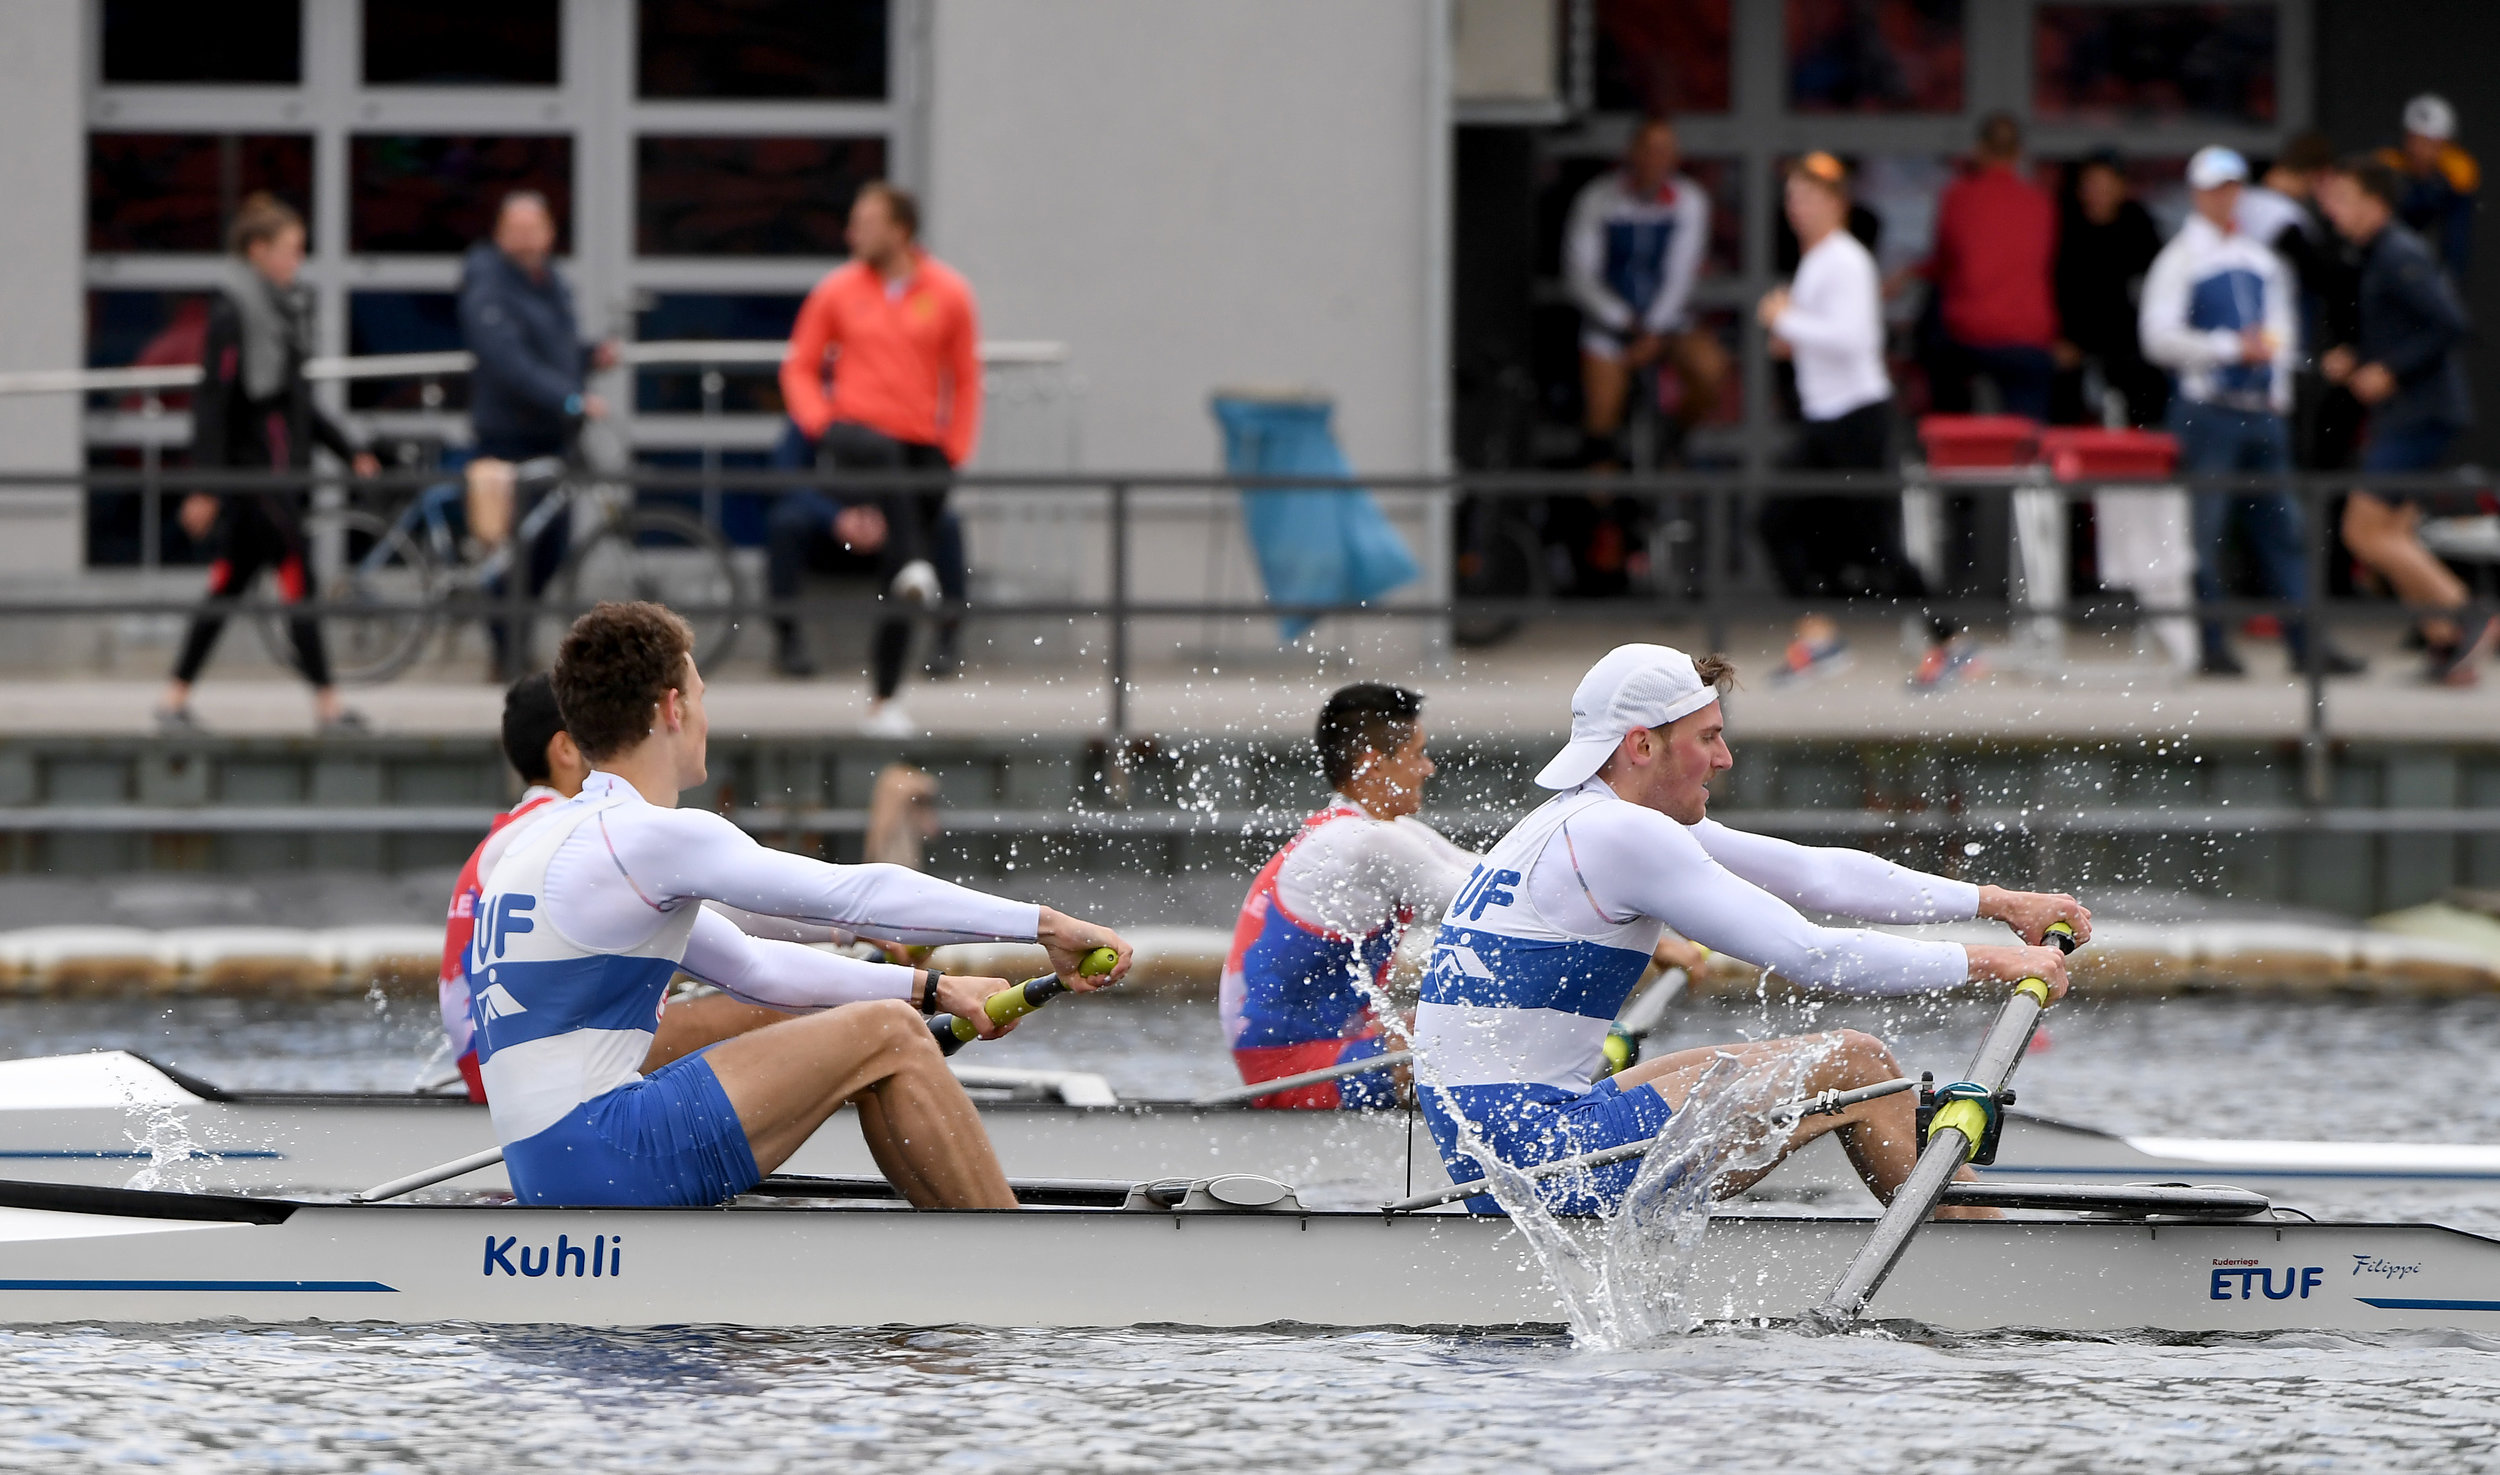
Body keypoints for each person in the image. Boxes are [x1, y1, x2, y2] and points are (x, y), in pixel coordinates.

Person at [468, 601, 1132, 1207]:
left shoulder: (536, 844)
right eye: (702, 695)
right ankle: (1021, 1264)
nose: (704, 713)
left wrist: (935, 987)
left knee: (878, 1029)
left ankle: (952, 1271)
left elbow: (760, 970)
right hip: (607, 1152)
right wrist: (1043, 925)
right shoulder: (646, 837)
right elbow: (854, 894)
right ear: (672, 709)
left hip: (545, 1165)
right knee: (889, 1034)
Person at [1413, 644, 2086, 1217]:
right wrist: (1989, 964)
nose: (1726, 757)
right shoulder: (1621, 834)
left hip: (1506, 1149)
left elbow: (1816, 876)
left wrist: (1998, 900)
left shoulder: (1572, 818)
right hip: (1536, 1164)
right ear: (1642, 744)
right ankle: (1995, 1264)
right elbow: (1811, 953)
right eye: (1708, 737)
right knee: (1860, 1069)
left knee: (1866, 1062)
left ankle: (1978, 1234)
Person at [437, 672, 789, 1102]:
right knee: (778, 1010)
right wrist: (847, 930)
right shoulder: (565, 835)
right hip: (528, 1062)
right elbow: (713, 913)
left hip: (496, 1053)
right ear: (566, 749)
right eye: (598, 737)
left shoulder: (519, 833)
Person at [158, 193, 379, 735]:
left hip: (276, 468)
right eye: (289, 250)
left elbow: (296, 402)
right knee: (296, 575)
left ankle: (173, 698)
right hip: (257, 474)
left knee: (230, 581)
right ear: (257, 250)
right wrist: (206, 486)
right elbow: (214, 400)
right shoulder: (233, 311)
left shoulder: (279, 310)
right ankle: (328, 704)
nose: (297, 261)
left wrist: (349, 450)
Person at [2139, 147, 2360, 680]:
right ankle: (2209, 645)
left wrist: (2277, 390)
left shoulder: (2260, 259)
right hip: (2207, 412)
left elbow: (2281, 333)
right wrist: (2229, 349)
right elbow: (2157, 338)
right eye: (2215, 188)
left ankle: (2306, 643)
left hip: (2260, 412)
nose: (2225, 197)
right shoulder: (2179, 260)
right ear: (2197, 193)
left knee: (2284, 529)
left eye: (2233, 187)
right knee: (2203, 534)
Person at [1754, 153, 1967, 691]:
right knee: (1779, 522)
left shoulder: (1844, 259)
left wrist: (1787, 321)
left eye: (1807, 198)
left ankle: (1951, 643)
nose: (1796, 208)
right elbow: (1823, 334)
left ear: (1836, 203)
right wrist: (1792, 333)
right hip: (1827, 419)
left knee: (1878, 544)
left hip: (1855, 418)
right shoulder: (1820, 259)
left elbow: (1854, 338)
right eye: (1792, 198)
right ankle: (1819, 637)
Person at [776, 183, 981, 735]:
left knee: (900, 571)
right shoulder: (837, 290)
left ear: (900, 229)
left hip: (918, 448)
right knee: (888, 468)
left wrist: (954, 450)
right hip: (854, 437)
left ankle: (884, 699)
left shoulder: (949, 292)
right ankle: (917, 566)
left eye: (865, 222)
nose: (852, 233)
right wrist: (819, 422)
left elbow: (964, 378)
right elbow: (799, 366)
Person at [2315, 155, 2488, 684]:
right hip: (2406, 412)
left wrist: (2388, 368)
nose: (2334, 212)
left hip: (2420, 414)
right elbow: (2404, 327)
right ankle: (2444, 644)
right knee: (2393, 530)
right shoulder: (2378, 254)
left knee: (2362, 532)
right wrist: (2359, 357)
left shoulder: (2398, 252)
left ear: (2374, 204)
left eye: (2344, 200)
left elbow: (2449, 324)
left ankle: (2467, 611)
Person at [1563, 117, 1728, 468]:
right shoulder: (1599, 199)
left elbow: (1681, 273)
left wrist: (1653, 329)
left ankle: (1674, 439)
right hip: (1610, 324)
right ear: (1631, 153)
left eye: (1664, 151)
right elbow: (1580, 274)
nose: (1656, 159)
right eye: (1649, 150)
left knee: (1710, 369)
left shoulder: (1689, 200)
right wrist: (1622, 322)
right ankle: (1603, 512)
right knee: (1601, 415)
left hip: (1667, 324)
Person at [765, 416, 967, 687]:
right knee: (784, 523)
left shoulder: (903, 414)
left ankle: (947, 636)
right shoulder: (815, 415)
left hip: (893, 538)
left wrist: (895, 518)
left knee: (946, 525)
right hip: (828, 539)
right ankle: (788, 639)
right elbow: (786, 478)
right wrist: (835, 518)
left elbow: (927, 480)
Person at [1924, 112, 2060, 421]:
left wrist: (1907, 274)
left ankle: (1949, 455)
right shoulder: (2040, 203)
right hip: (2028, 337)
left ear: (1979, 150)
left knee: (1952, 421)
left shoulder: (1958, 199)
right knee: (2028, 438)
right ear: (2019, 153)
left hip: (1968, 336)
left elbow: (1944, 263)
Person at [2052, 149, 2167, 429]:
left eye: (2106, 185)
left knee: (2144, 384)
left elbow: (2154, 291)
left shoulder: (2139, 226)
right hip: (2071, 344)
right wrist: (2058, 338)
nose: (2098, 193)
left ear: (2122, 188)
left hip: (2126, 346)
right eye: (2091, 185)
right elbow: (2049, 289)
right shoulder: (2064, 227)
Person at [2377, 94, 2478, 286]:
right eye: (2415, 140)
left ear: (2444, 145)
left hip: (2428, 268)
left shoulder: (2457, 172)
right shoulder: (2388, 165)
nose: (2420, 150)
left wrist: (2449, 282)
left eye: (2430, 143)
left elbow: (2457, 238)